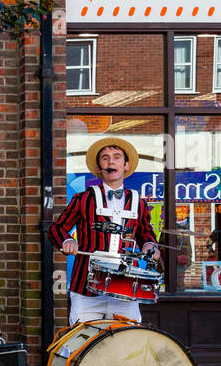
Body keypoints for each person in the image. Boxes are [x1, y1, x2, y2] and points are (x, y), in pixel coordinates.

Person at [49, 136, 160, 325]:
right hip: (85, 290)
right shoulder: (83, 199)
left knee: (126, 345)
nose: (111, 161)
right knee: (84, 346)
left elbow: (145, 234)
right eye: (105, 158)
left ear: (126, 165)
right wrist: (67, 241)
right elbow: (57, 229)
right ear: (100, 168)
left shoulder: (139, 203)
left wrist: (150, 245)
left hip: (125, 290)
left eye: (117, 156)